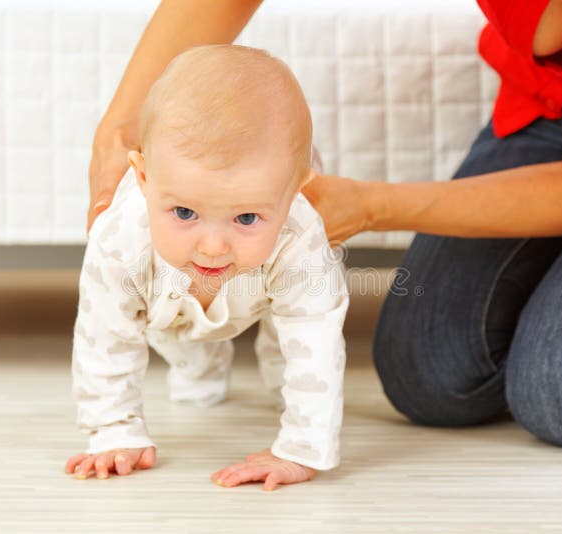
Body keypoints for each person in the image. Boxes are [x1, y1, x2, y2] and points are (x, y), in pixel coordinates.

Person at [87, 0, 562, 455]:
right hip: (555, 112)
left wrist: (303, 448)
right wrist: (120, 124)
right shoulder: (128, 248)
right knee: (430, 378)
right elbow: (105, 326)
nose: (213, 245)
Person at [65, 45, 349, 490]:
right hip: (167, 293)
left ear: (295, 193)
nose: (213, 246)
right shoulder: (122, 237)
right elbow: (105, 335)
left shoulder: (299, 235)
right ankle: (201, 364)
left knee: (289, 339)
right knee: (175, 333)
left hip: (262, 286)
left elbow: (315, 336)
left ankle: (278, 388)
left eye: (247, 218)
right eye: (183, 212)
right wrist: (114, 429)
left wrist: (300, 446)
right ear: (142, 178)